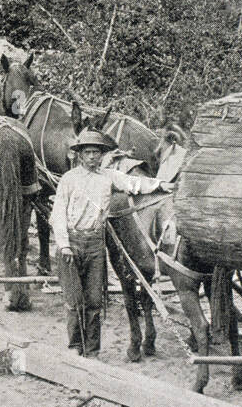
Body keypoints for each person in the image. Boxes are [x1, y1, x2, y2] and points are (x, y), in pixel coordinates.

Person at [49, 130, 172, 355]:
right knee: (75, 301)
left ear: (102, 155)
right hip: (72, 243)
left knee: (95, 301)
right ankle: (76, 346)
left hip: (96, 244)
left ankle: (92, 349)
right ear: (80, 155)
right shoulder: (69, 179)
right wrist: (64, 244)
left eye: (96, 153)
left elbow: (135, 183)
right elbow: (58, 214)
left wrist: (162, 185)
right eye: (88, 152)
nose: (92, 157)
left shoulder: (109, 177)